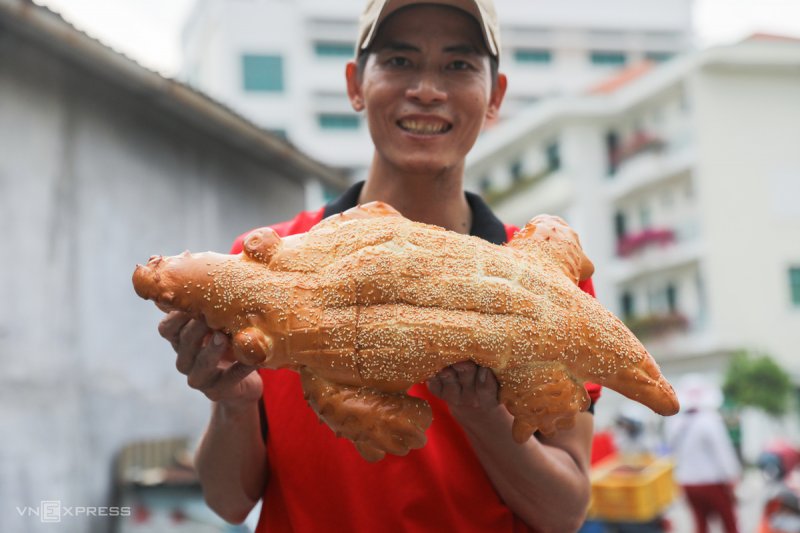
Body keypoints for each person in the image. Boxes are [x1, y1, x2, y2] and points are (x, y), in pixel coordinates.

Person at [157, 1, 601, 531]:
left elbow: (565, 512)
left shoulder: (543, 275)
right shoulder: (261, 264)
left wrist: (483, 414)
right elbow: (228, 502)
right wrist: (233, 402)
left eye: (458, 65)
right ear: (355, 84)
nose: (428, 89)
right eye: (399, 60)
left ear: (494, 98)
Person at [666, 375, 741, 533]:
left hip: (687, 481)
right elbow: (722, 451)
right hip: (712, 481)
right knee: (729, 521)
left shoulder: (676, 423)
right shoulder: (710, 420)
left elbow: (671, 450)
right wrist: (732, 476)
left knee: (700, 524)